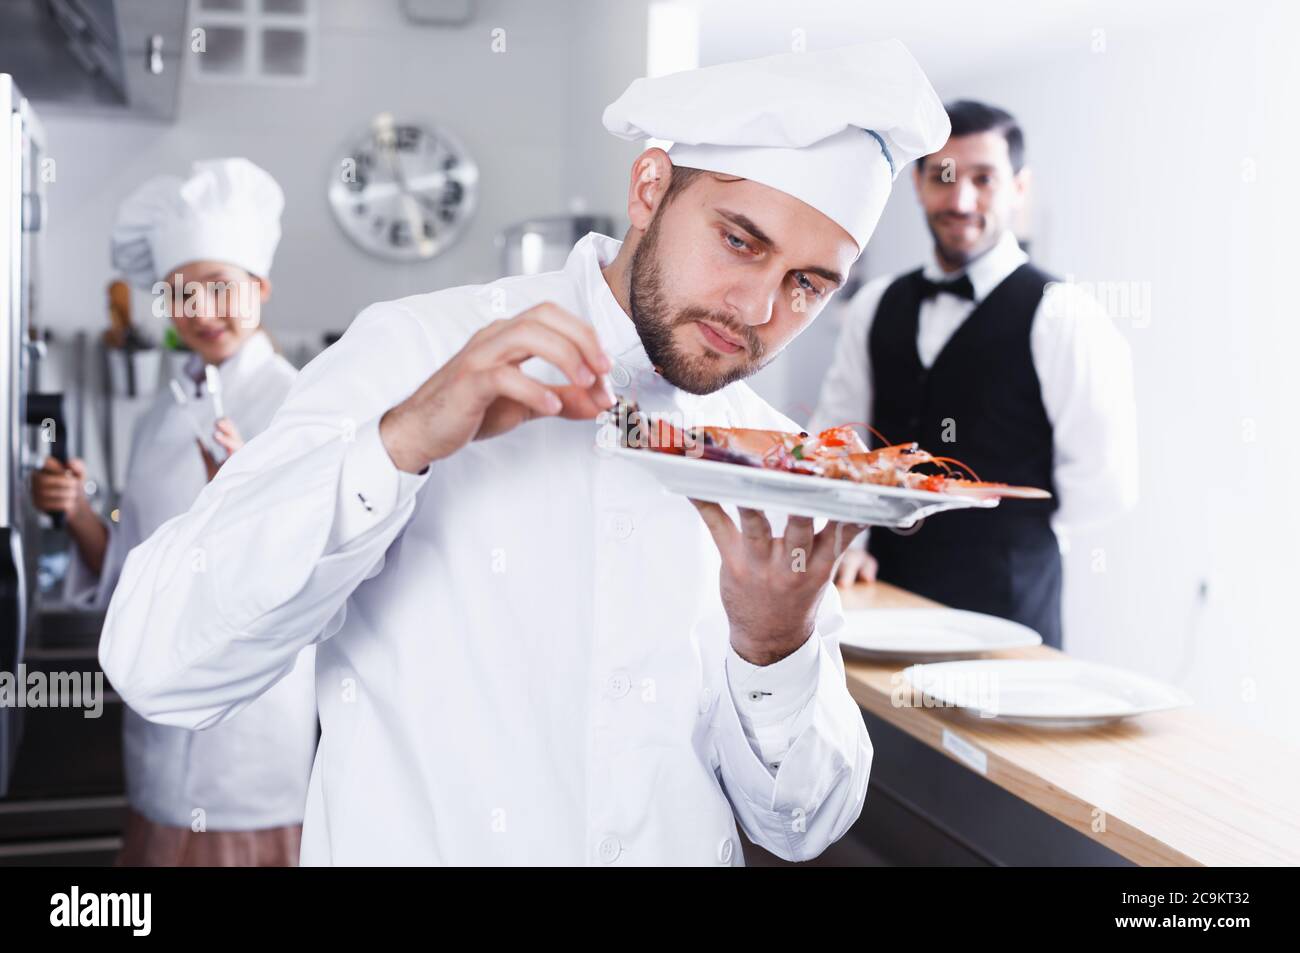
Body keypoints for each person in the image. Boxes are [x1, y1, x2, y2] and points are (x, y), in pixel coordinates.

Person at [98, 42, 950, 865]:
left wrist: (775, 645)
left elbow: (803, 828)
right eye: (741, 241)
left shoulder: (785, 459)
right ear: (649, 187)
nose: (762, 308)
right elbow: (157, 664)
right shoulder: (416, 350)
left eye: (808, 284)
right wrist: (397, 445)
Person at [34, 158, 317, 865]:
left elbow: (314, 572)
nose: (202, 312)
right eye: (180, 295)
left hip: (252, 736)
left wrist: (240, 502)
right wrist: (78, 513)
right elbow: (134, 575)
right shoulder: (160, 413)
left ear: (260, 289)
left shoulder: (299, 402)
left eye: (219, 289)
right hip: (158, 736)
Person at [811, 100, 1138, 650]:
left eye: (984, 179)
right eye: (943, 177)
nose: (961, 199)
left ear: (1018, 187)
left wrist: (1009, 542)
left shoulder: (1064, 313)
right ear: (916, 184)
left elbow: (1103, 482)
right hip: (879, 601)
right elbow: (839, 439)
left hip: (1006, 615)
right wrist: (852, 539)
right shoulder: (874, 304)